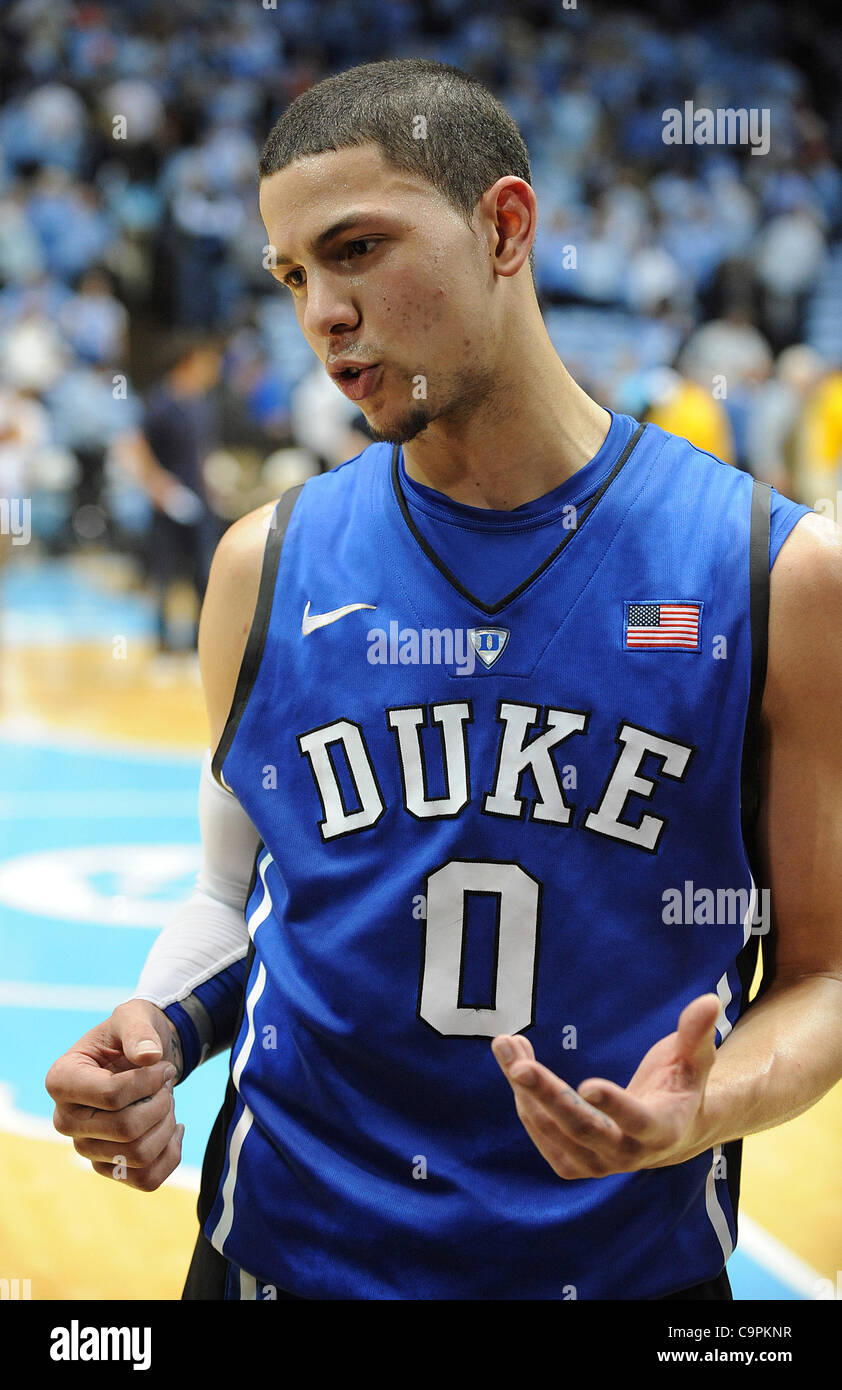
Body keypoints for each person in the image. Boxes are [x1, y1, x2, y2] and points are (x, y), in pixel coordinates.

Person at [45, 58, 842, 1301]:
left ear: (504, 227)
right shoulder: (265, 563)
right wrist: (158, 1032)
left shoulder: (770, 573)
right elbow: (232, 893)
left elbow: (823, 973)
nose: (321, 311)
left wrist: (706, 1106)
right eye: (293, 274)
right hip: (280, 1262)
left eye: (356, 247)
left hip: (618, 1275)